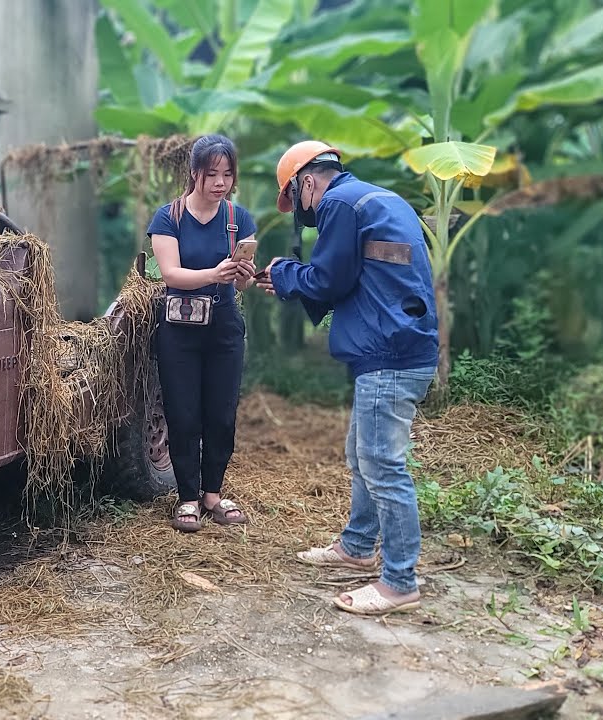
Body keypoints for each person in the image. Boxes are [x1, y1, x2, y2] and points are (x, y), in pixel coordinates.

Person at [255, 140, 439, 615]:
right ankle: (357, 547)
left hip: (389, 353)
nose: (303, 212)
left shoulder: (338, 203)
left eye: (295, 201)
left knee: (381, 464)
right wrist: (295, 274)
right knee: (362, 455)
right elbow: (358, 275)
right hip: (399, 346)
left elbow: (329, 280)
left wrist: (284, 273)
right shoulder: (378, 198)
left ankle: (400, 581)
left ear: (307, 183)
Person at [149, 134, 257, 532]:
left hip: (225, 327)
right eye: (212, 174)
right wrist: (214, 273)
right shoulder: (169, 217)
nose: (220, 182)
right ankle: (188, 498)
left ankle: (213, 493)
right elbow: (170, 274)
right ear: (194, 173)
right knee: (183, 413)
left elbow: (240, 286)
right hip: (180, 328)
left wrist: (242, 276)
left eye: (227, 174)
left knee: (222, 414)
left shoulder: (238, 220)